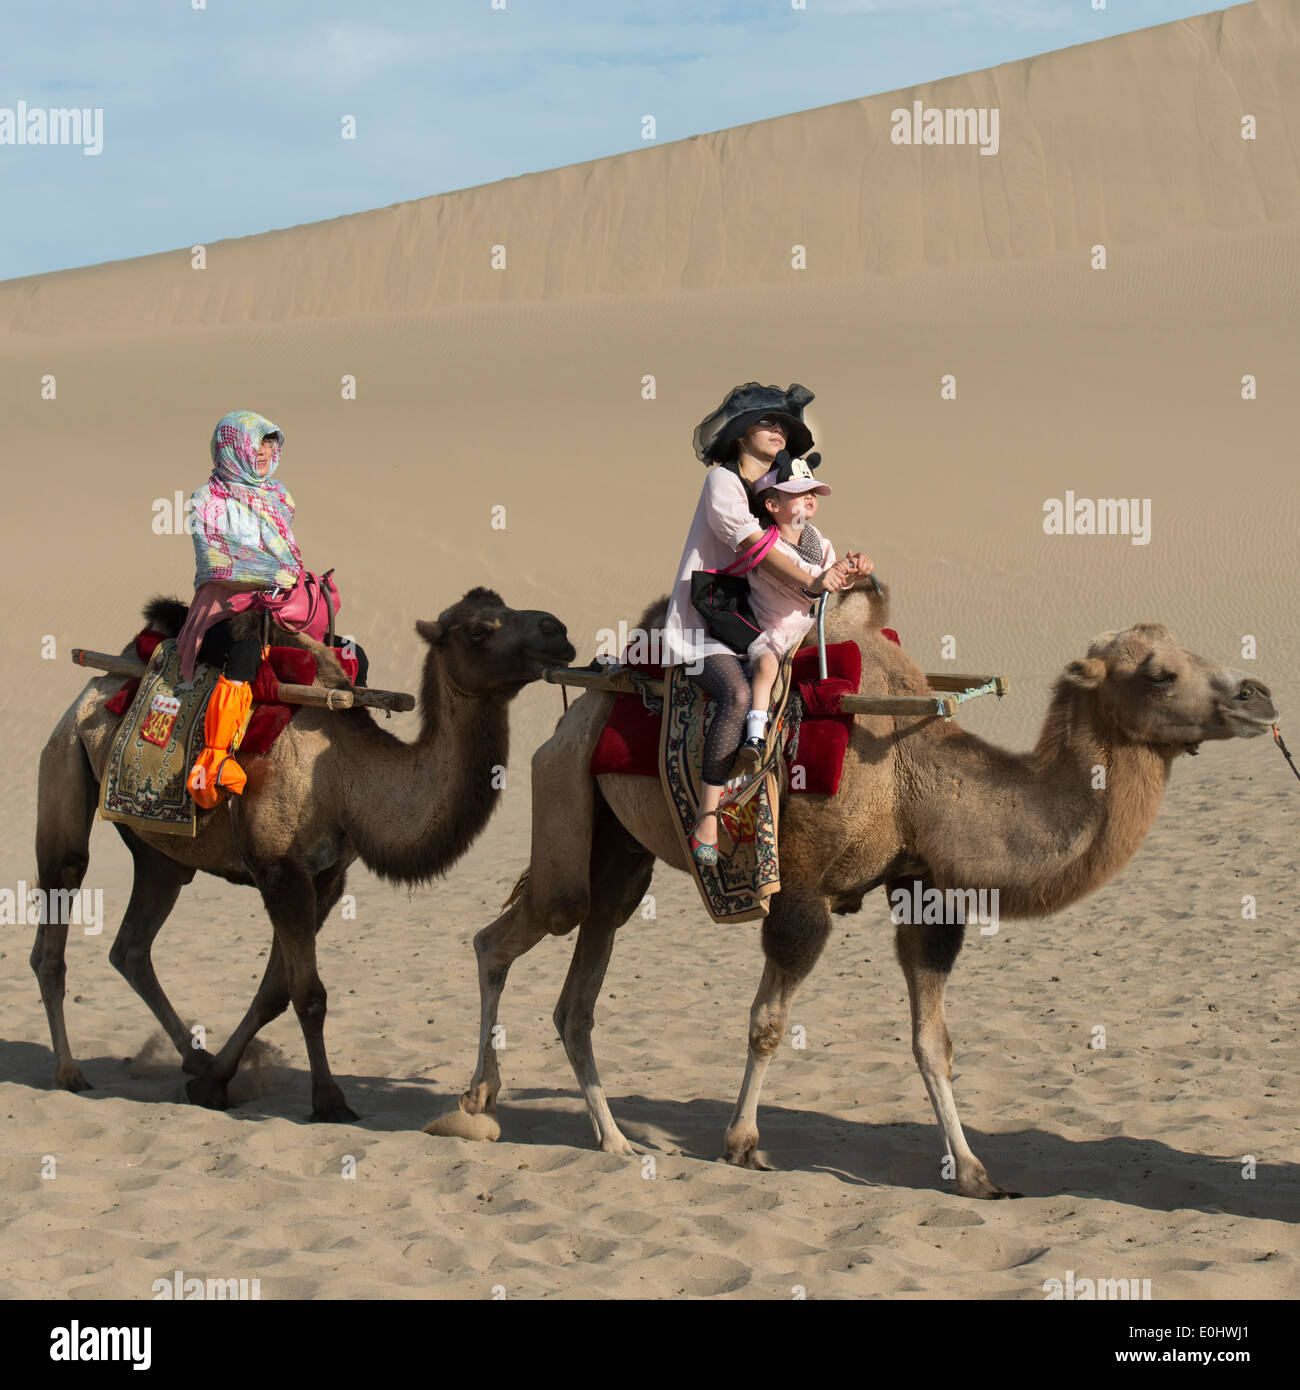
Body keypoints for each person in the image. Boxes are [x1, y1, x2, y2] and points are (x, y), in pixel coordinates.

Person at [659, 383, 871, 865]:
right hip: (711, 618)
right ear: (738, 436)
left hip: (761, 614)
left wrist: (843, 570)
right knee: (735, 694)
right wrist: (817, 581)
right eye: (766, 423)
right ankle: (708, 817)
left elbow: (800, 540)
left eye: (782, 425)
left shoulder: (774, 488)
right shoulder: (723, 484)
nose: (777, 431)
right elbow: (755, 547)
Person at [176, 410, 366, 809]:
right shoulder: (205, 501)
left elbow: (287, 559)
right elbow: (216, 563)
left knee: (350, 652)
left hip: (277, 614)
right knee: (244, 655)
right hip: (224, 615)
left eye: (269, 441)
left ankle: (355, 749)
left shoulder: (278, 496)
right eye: (256, 441)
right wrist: (273, 574)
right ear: (233, 447)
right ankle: (214, 762)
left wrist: (293, 582)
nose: (264, 451)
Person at [733, 452, 864, 768]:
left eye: (811, 493)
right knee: (766, 666)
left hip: (806, 626)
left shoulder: (815, 538)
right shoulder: (768, 546)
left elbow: (830, 574)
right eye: (797, 493)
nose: (808, 498)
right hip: (772, 628)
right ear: (772, 505)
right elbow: (808, 581)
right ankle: (755, 734)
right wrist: (828, 576)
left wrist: (853, 570)